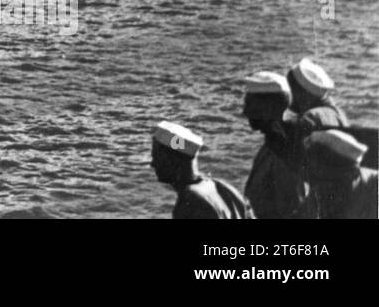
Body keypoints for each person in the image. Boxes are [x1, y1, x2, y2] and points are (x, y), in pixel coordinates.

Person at [242, 71, 310, 219]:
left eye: (251, 105)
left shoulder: (284, 154)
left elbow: (294, 213)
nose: (245, 112)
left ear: (272, 108)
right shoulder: (272, 146)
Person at [152, 121, 248, 219]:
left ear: (173, 161)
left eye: (157, 158)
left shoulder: (190, 202)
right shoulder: (222, 187)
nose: (153, 164)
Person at [304, 130, 378, 219]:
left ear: (353, 172)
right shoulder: (320, 189)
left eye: (333, 180)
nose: (326, 187)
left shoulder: (374, 186)